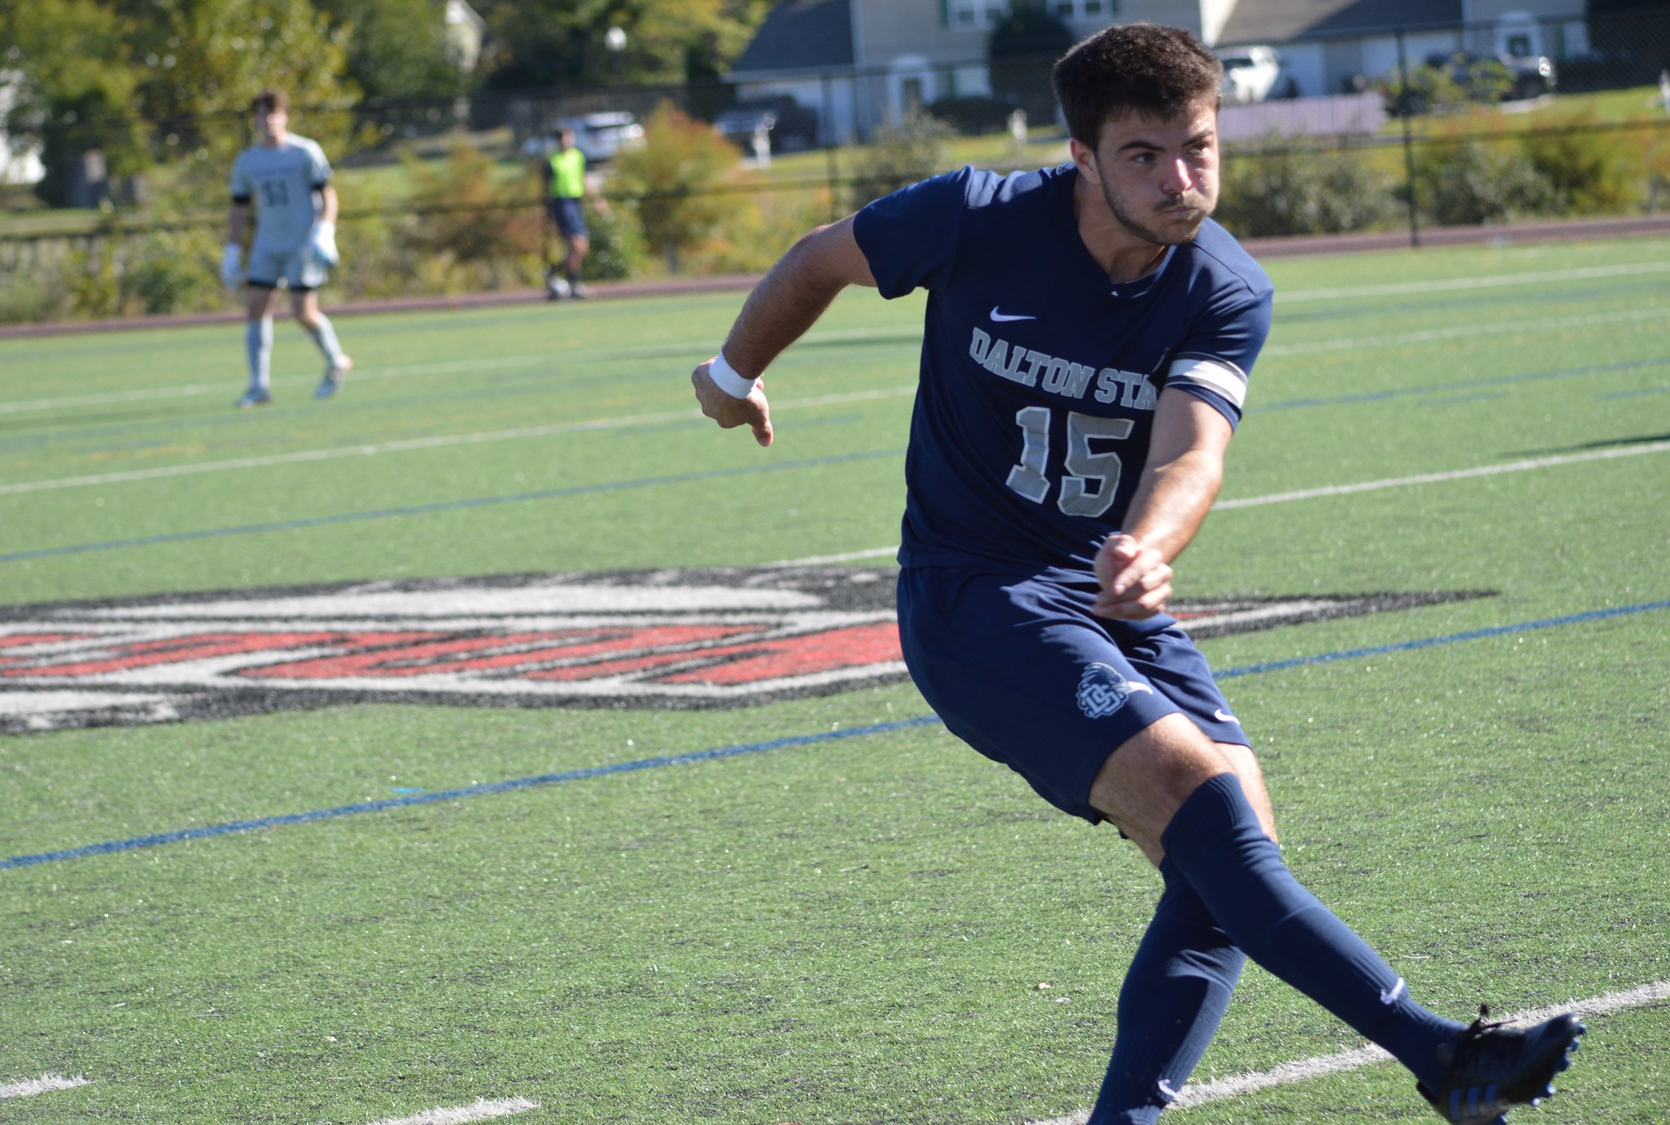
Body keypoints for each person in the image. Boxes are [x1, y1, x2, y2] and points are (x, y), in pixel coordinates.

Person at [691, 23, 1584, 1125]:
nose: (1179, 179)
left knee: (1234, 852)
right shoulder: (974, 215)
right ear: (1082, 155)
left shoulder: (1225, 286)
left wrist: (1151, 546)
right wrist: (732, 372)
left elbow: (1192, 452)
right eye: (1145, 155)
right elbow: (821, 258)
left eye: (1198, 148)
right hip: (973, 596)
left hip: (1106, 593)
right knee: (1205, 810)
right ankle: (1439, 1053)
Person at [222, 90, 354, 408]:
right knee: (256, 306)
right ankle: (259, 385)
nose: (268, 119)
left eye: (274, 113)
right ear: (254, 120)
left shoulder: (304, 152)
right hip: (267, 243)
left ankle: (336, 360)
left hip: (302, 243)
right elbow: (239, 209)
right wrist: (232, 250)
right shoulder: (247, 161)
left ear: (284, 116)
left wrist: (325, 231)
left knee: (302, 311)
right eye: (261, 114)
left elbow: (328, 194)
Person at [541, 125, 593, 300]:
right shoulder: (552, 160)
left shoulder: (578, 156)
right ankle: (574, 284)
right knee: (577, 246)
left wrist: (598, 200)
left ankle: (553, 273)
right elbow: (546, 188)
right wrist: (548, 211)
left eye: (569, 137)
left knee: (582, 248)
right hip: (562, 204)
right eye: (563, 139)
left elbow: (584, 179)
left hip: (577, 202)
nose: (566, 141)